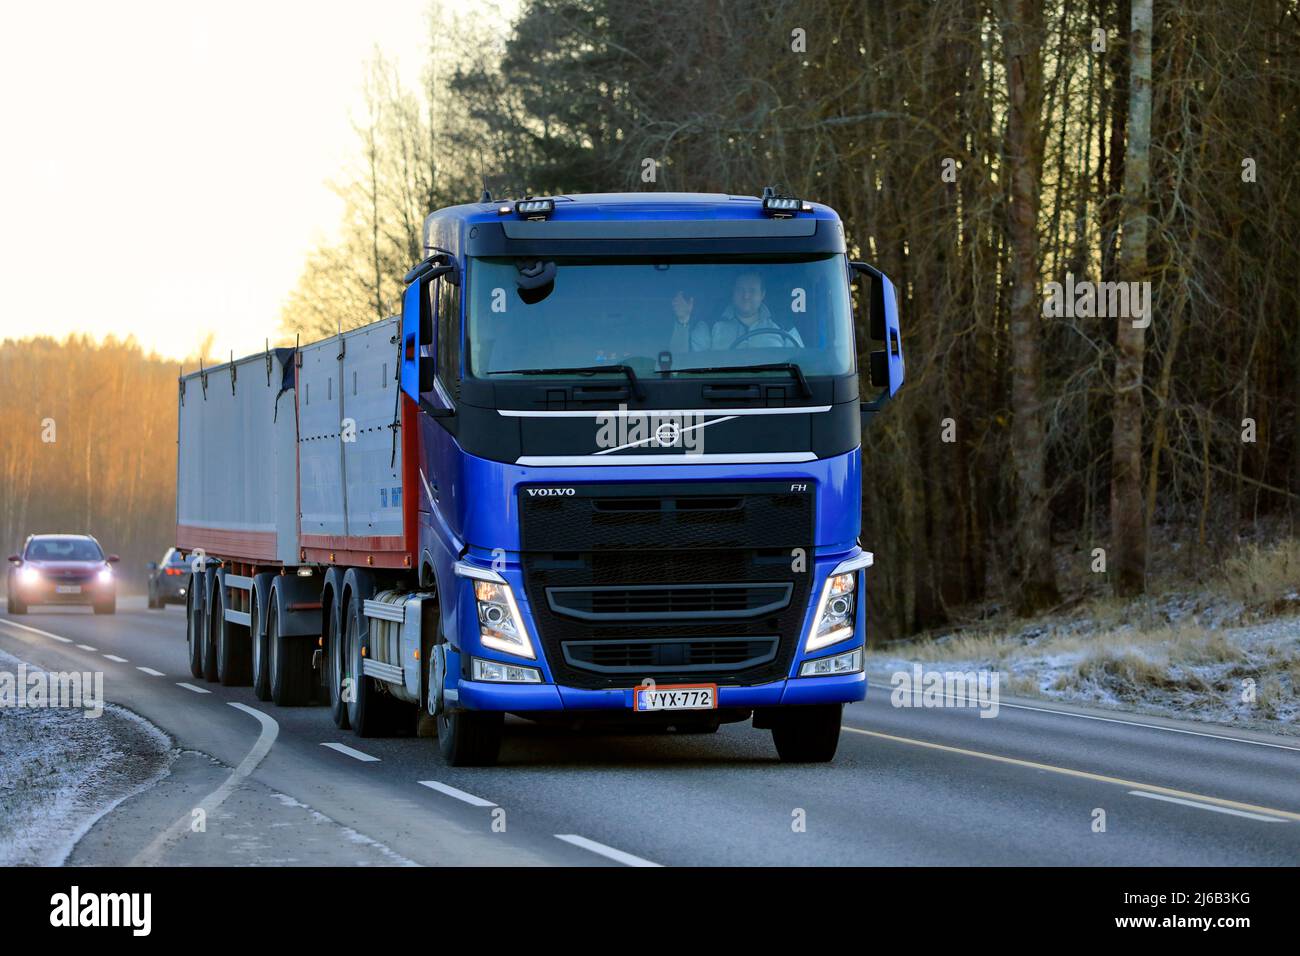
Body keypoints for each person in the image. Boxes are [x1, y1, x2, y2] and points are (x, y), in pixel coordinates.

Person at [669, 273, 803, 356]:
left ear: (762, 295)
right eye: (740, 290)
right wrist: (682, 320)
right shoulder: (709, 325)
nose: (746, 296)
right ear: (732, 292)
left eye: (752, 290)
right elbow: (682, 361)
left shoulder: (784, 326)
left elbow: (801, 362)